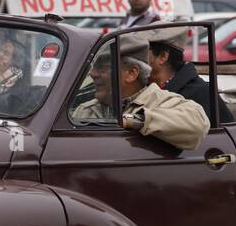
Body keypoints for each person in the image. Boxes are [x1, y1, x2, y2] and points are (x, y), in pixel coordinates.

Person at [70, 33, 209, 151]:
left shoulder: (161, 101)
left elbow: (197, 125)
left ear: (131, 73)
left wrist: (134, 119)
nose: (93, 74)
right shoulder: (86, 110)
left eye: (102, 68)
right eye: (94, 67)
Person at [147, 24, 235, 124]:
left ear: (163, 57)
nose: (136, 57)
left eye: (142, 51)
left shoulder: (199, 92)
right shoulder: (140, 86)